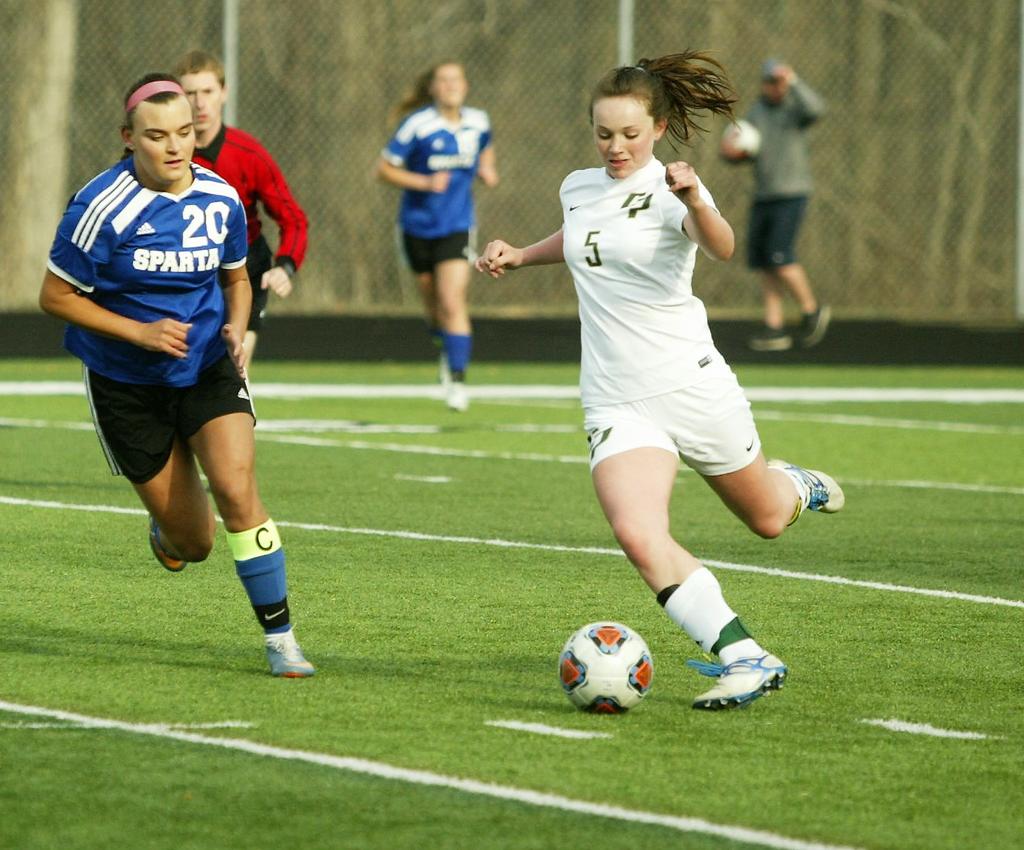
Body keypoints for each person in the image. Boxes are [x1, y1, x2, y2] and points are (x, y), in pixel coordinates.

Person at [476, 52, 844, 710]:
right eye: (603, 134)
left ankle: (794, 485)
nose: (616, 147)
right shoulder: (578, 186)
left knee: (766, 518)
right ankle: (744, 655)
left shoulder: (672, 191)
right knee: (638, 533)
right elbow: (583, 237)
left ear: (660, 126)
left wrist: (697, 196)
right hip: (616, 399)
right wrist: (521, 255)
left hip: (690, 385)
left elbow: (723, 245)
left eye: (630, 134)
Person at [39, 73, 314, 678]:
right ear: (128, 138)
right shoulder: (98, 206)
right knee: (196, 543)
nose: (174, 147)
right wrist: (138, 332)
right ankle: (169, 535)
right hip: (125, 382)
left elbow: (236, 277)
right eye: (157, 135)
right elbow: (55, 296)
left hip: (206, 368)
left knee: (240, 494)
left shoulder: (219, 197)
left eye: (185, 133)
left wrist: (237, 330)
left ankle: (282, 640)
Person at [173, 50, 308, 370]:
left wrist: (285, 265)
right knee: (181, 366)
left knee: (233, 369)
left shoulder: (248, 154)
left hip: (244, 272)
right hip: (185, 270)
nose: (199, 103)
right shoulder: (166, 155)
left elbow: (294, 219)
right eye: (189, 93)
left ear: (224, 93)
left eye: (207, 92)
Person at [376, 61, 498, 412]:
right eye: (443, 80)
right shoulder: (417, 125)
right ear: (432, 88)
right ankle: (446, 349)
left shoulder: (479, 121)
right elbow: (384, 169)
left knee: (451, 300)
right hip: (416, 227)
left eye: (456, 79)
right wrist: (425, 182)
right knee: (433, 307)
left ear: (466, 85)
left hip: (457, 225)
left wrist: (488, 169)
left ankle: (457, 379)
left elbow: (485, 149)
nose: (450, 85)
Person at [720, 59, 829, 352]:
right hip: (764, 195)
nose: (775, 87)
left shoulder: (794, 109)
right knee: (764, 262)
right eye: (770, 81)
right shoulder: (756, 113)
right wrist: (731, 153)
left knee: (779, 255)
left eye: (779, 82)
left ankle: (811, 309)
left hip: (790, 193)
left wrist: (794, 82)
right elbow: (741, 147)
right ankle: (774, 326)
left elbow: (817, 109)